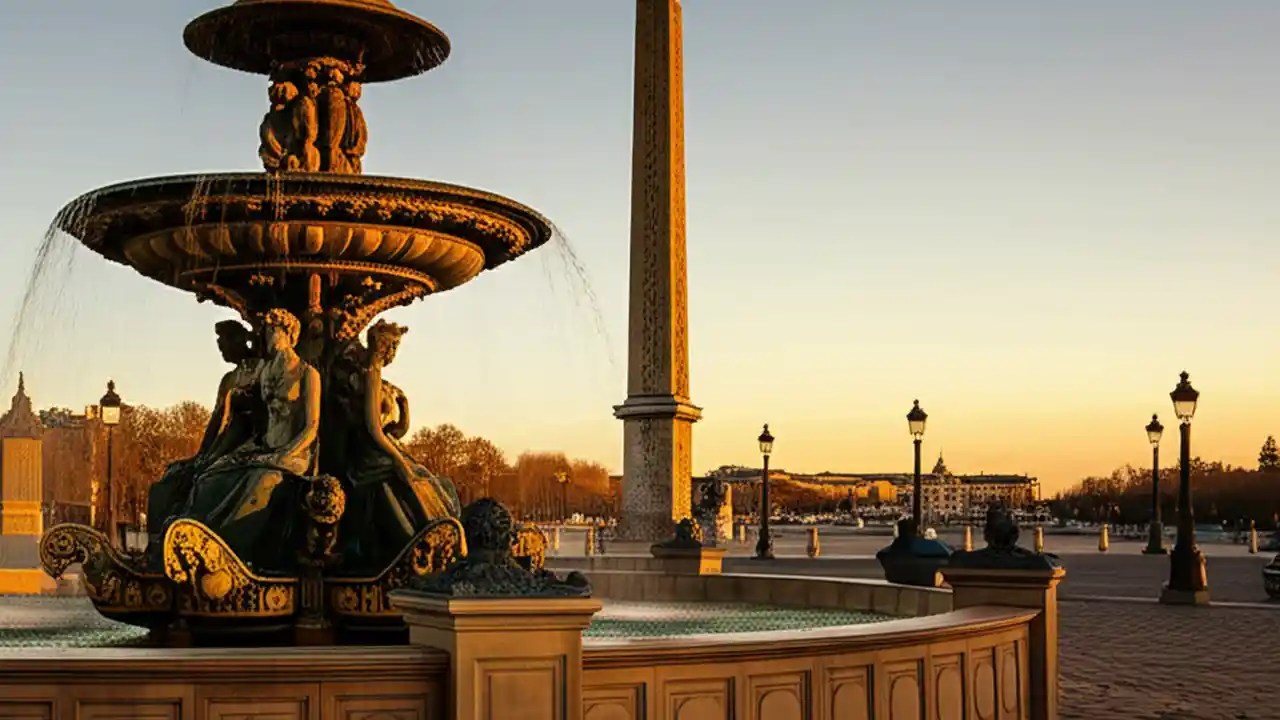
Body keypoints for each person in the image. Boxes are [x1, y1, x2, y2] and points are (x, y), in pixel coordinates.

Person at [183, 309, 320, 575]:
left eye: (273, 331)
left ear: (289, 333)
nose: (268, 337)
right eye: (266, 332)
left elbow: (312, 427)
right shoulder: (265, 371)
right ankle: (195, 529)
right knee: (213, 473)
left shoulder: (307, 373)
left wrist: (284, 454)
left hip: (295, 455)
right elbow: (248, 417)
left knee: (260, 480)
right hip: (265, 449)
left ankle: (227, 548)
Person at [144, 319, 260, 567]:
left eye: (224, 345)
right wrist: (200, 456)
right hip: (222, 446)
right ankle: (159, 547)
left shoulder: (261, 371)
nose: (222, 352)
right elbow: (216, 421)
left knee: (203, 481)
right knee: (167, 482)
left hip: (246, 445)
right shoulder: (230, 378)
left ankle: (195, 540)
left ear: (240, 341)